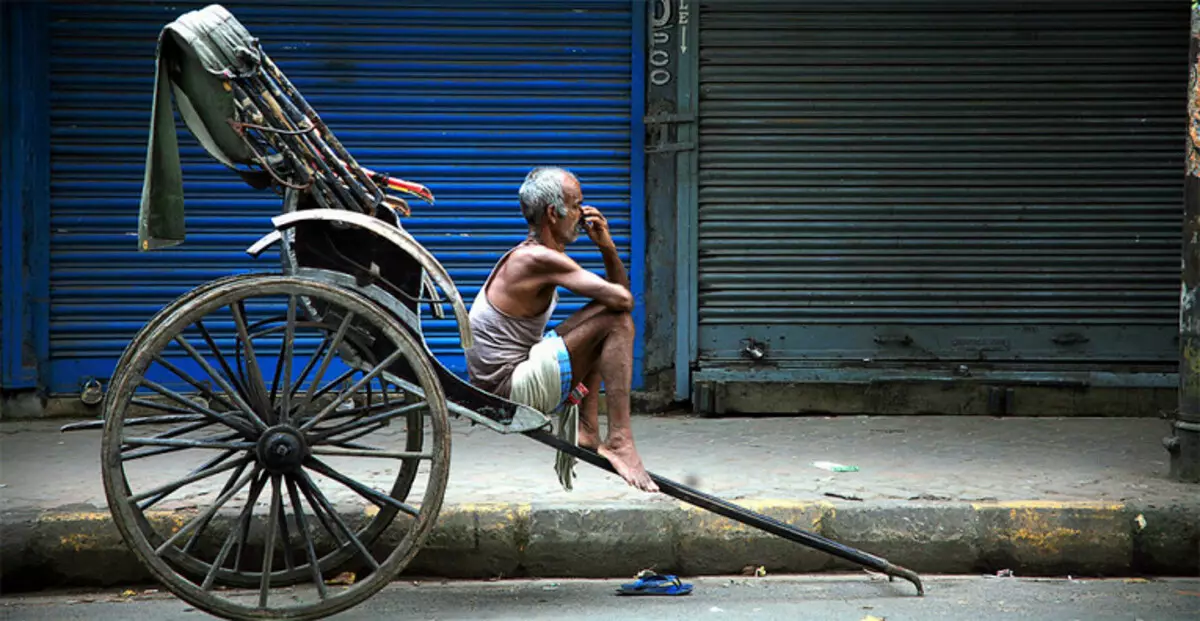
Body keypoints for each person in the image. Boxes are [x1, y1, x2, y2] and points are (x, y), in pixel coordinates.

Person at [464, 166, 658, 493]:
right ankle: (619, 440)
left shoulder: (539, 254)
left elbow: (618, 298)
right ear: (554, 214)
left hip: (514, 371)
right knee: (616, 321)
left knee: (609, 318)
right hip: (507, 388)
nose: (582, 214)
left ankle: (588, 429)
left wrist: (605, 246)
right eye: (577, 205)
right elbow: (624, 300)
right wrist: (607, 247)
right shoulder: (536, 259)